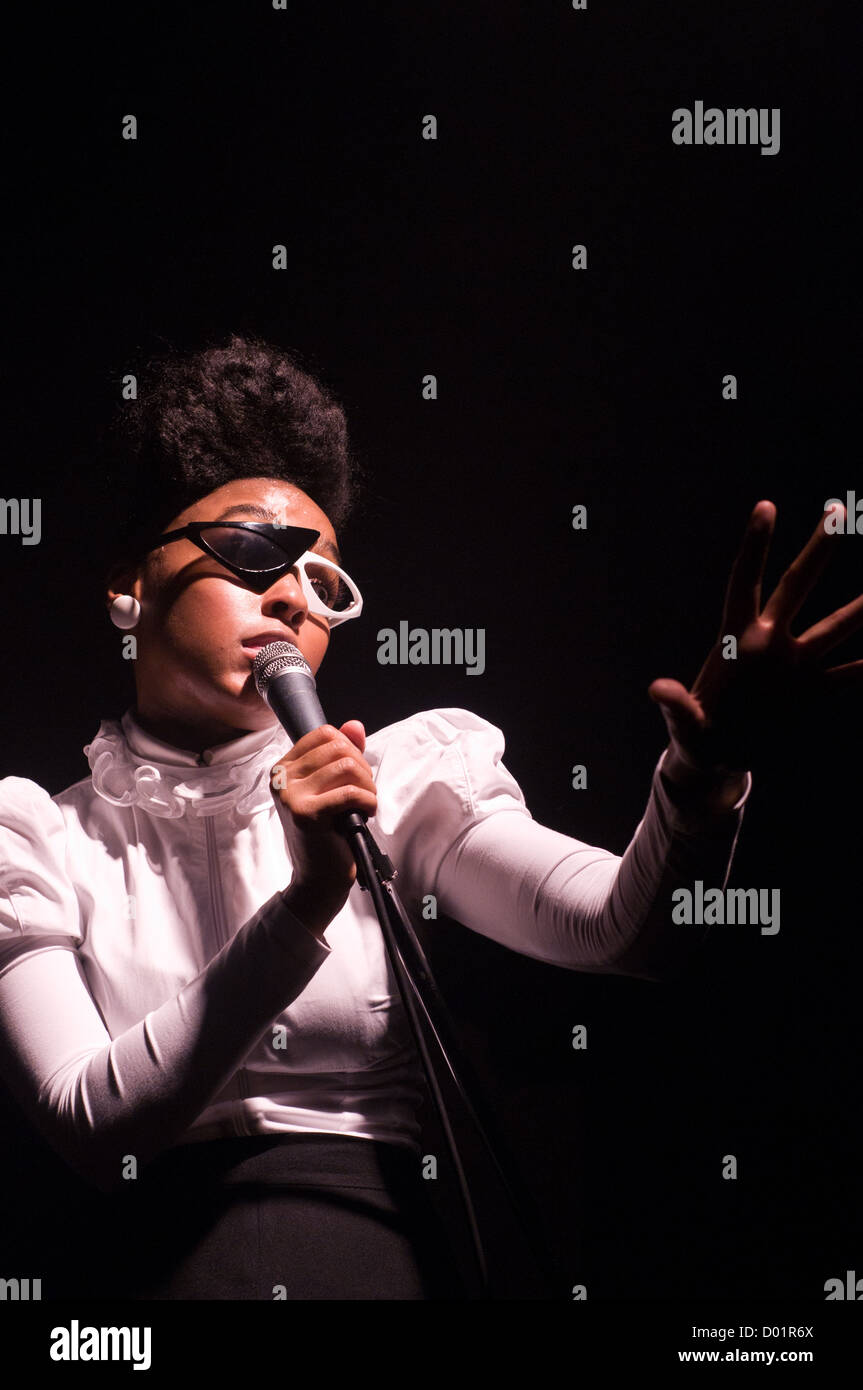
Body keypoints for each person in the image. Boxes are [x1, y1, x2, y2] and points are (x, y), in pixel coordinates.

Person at [0, 335, 859, 1301]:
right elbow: (86, 1122)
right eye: (248, 553)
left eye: (324, 583)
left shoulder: (400, 782)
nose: (291, 596)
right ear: (131, 587)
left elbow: (627, 932)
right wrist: (304, 905)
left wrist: (701, 779)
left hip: (369, 1263)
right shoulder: (40, 835)